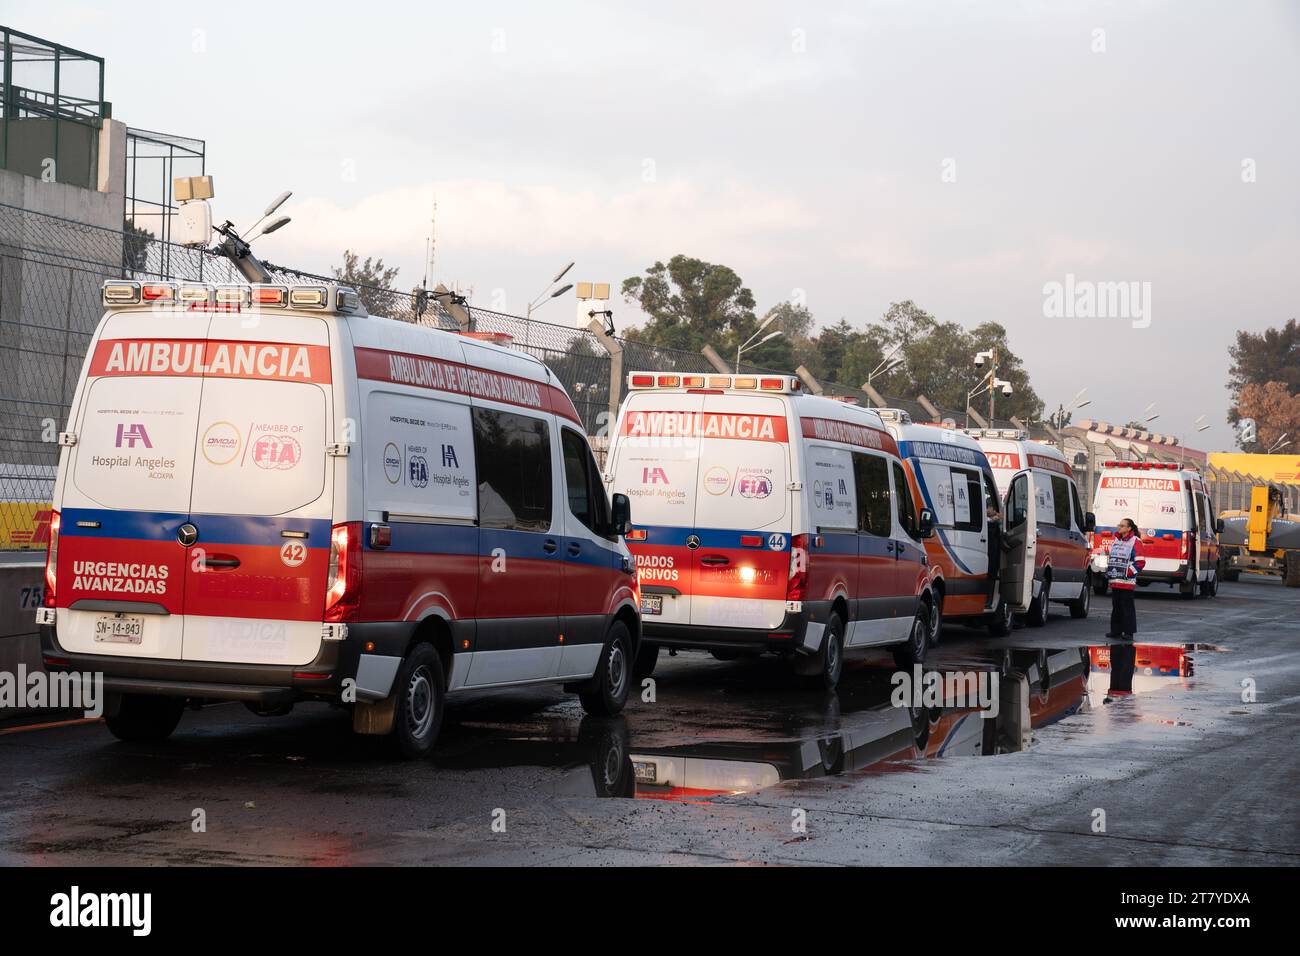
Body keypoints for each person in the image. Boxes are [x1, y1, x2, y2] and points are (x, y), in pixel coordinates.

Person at [1106, 517, 1145, 639]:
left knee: (1127, 607)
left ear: (1129, 528)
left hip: (1127, 581)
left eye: (1122, 526)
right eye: (1119, 525)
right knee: (1116, 607)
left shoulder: (1135, 541)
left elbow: (1140, 562)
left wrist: (1128, 572)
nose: (1119, 527)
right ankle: (1116, 631)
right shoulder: (1117, 540)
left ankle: (1128, 632)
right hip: (1116, 581)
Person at [985, 502, 1004, 605]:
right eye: (992, 509)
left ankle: (989, 599)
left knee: (992, 576)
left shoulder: (996, 521)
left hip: (993, 554)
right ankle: (988, 599)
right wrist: (994, 520)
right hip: (990, 554)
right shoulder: (988, 521)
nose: (994, 511)